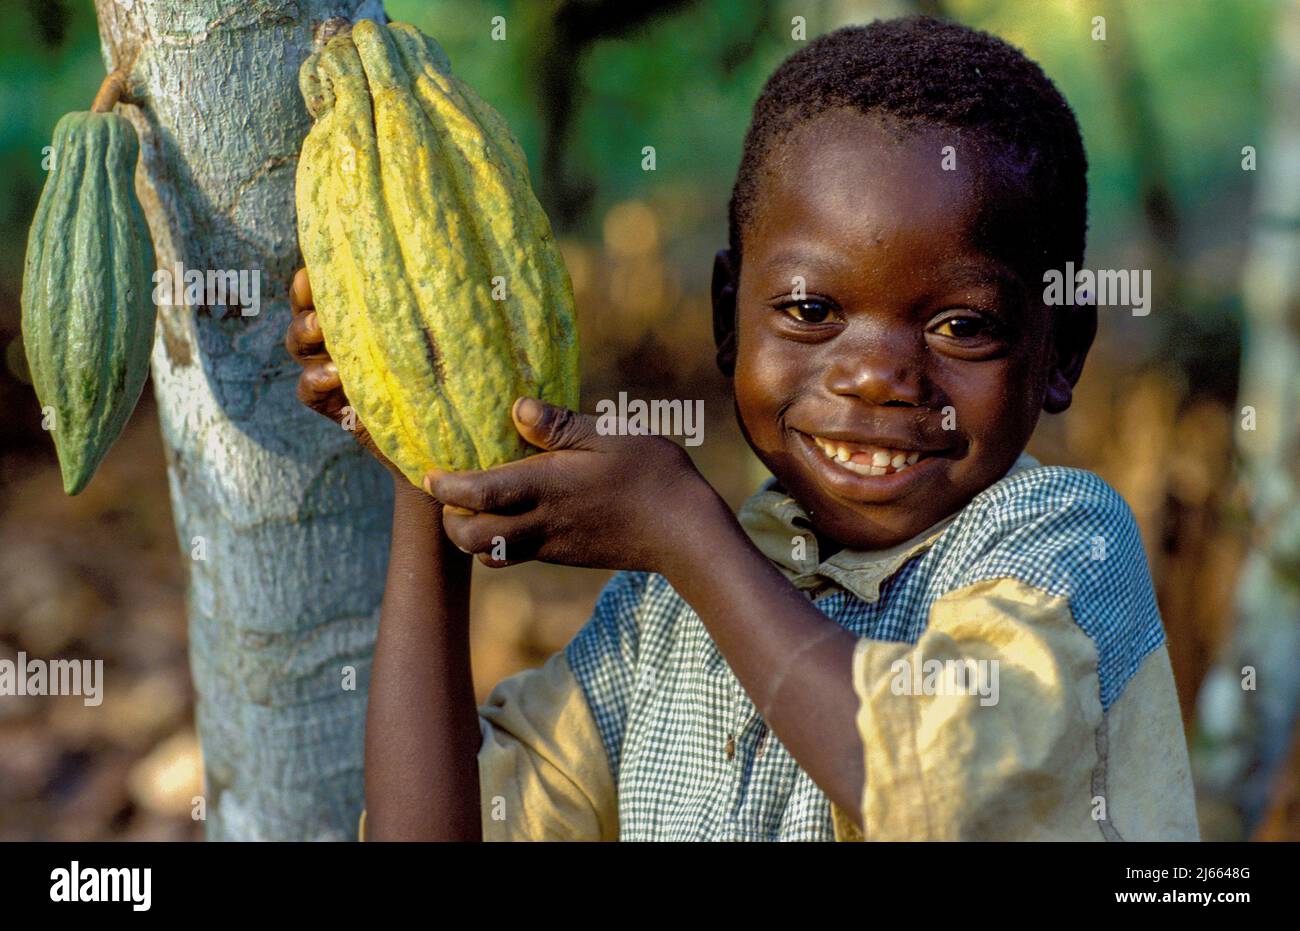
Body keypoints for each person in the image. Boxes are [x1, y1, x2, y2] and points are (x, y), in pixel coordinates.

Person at [285, 15, 1199, 841]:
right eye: (811, 309)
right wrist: (425, 427)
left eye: (959, 325)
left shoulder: (1061, 544)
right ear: (730, 317)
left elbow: (932, 789)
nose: (877, 374)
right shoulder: (659, 618)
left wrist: (686, 535)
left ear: (1061, 350)